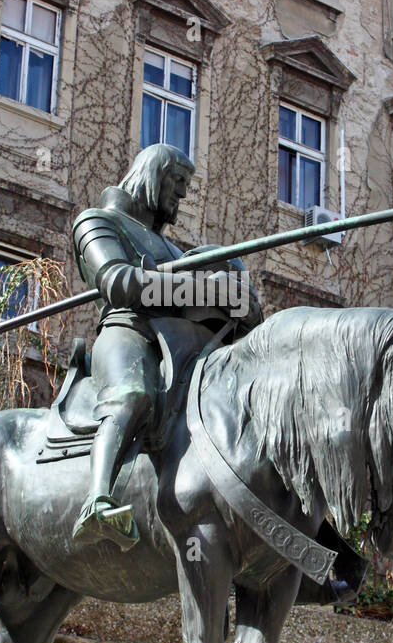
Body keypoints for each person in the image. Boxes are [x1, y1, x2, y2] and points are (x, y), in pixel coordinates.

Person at [71, 142, 262, 550]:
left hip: (186, 347)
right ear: (152, 174)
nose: (182, 193)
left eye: (187, 184)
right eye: (177, 181)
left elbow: (239, 311)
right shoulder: (97, 222)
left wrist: (235, 296)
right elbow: (118, 283)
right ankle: (97, 500)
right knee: (131, 395)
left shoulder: (180, 252)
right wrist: (202, 289)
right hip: (130, 332)